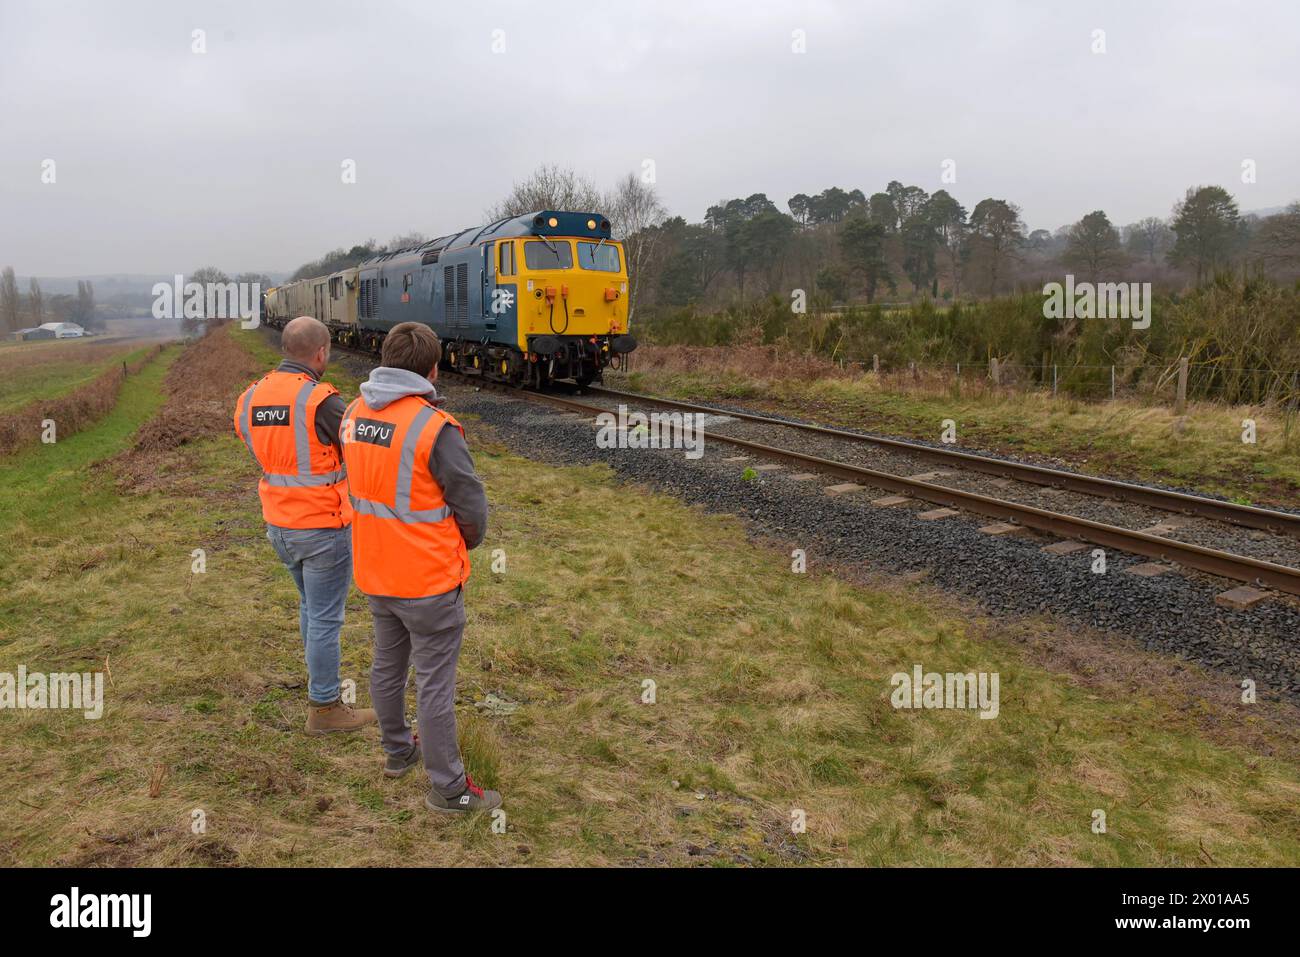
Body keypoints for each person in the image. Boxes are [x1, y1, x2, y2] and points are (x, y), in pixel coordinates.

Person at [339, 321, 499, 813]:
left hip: (374, 571)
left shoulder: (351, 413)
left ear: (384, 359)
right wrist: (464, 542)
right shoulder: (434, 426)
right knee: (434, 682)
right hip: (427, 580)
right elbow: (471, 506)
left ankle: (396, 751)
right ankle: (449, 789)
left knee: (388, 664)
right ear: (432, 369)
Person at [233, 315, 377, 735]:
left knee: (310, 609)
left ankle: (321, 689)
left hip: (279, 524)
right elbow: (358, 450)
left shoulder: (251, 397)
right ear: (320, 353)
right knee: (327, 618)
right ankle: (326, 707)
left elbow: (253, 442)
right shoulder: (321, 400)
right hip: (322, 527)